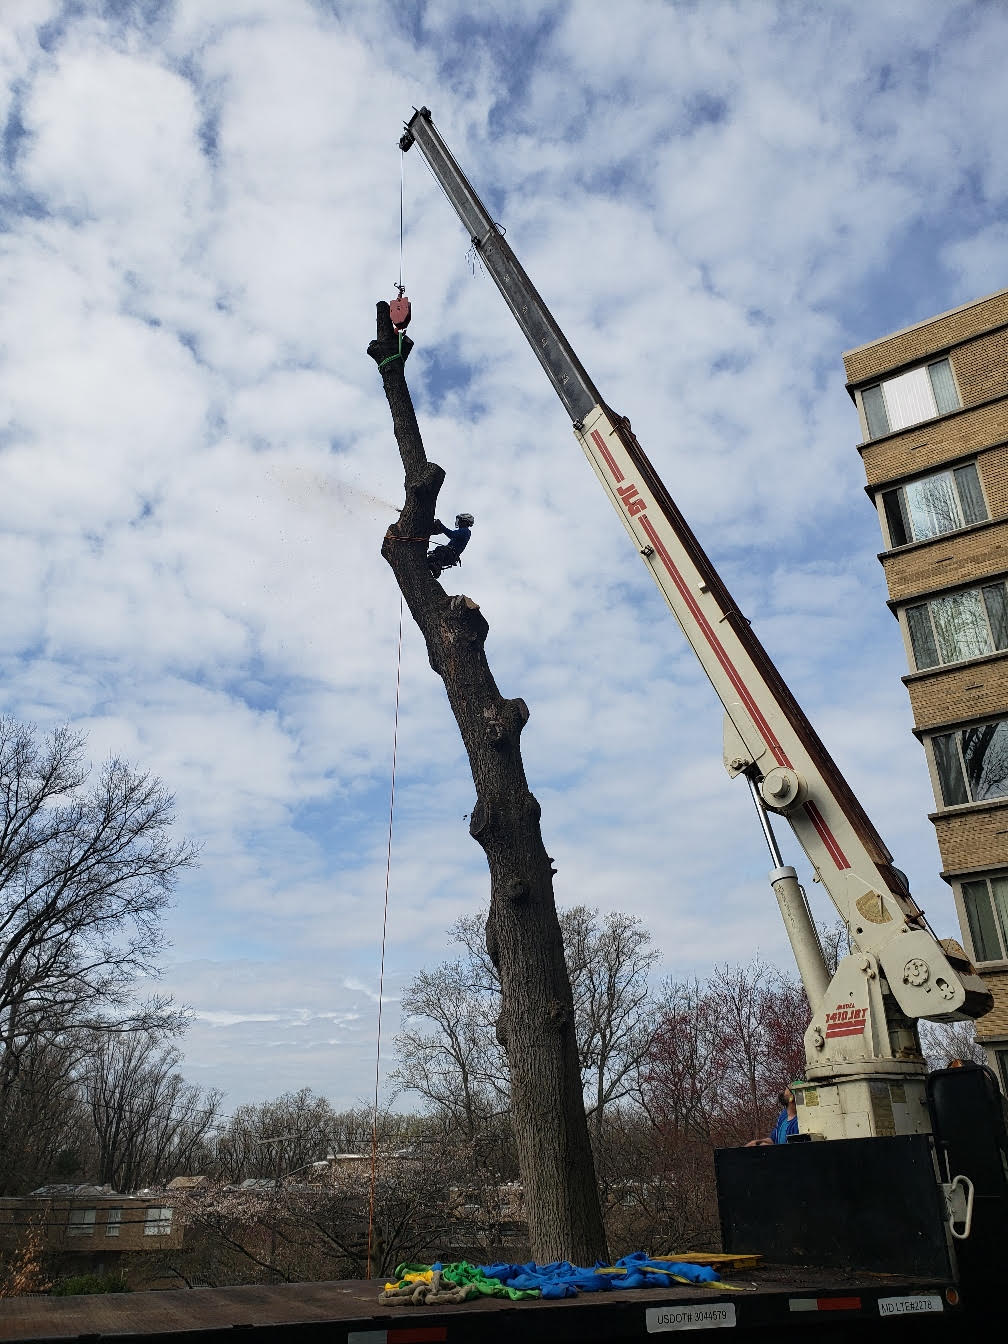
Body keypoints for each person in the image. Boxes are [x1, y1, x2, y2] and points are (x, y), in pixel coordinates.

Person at [428, 512, 474, 578]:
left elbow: (452, 534)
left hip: (450, 555)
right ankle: (432, 567)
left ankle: (437, 567)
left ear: (465, 522)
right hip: (449, 556)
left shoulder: (465, 531)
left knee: (440, 549)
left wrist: (441, 526)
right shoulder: (462, 531)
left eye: (460, 521)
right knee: (431, 557)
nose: (459, 522)